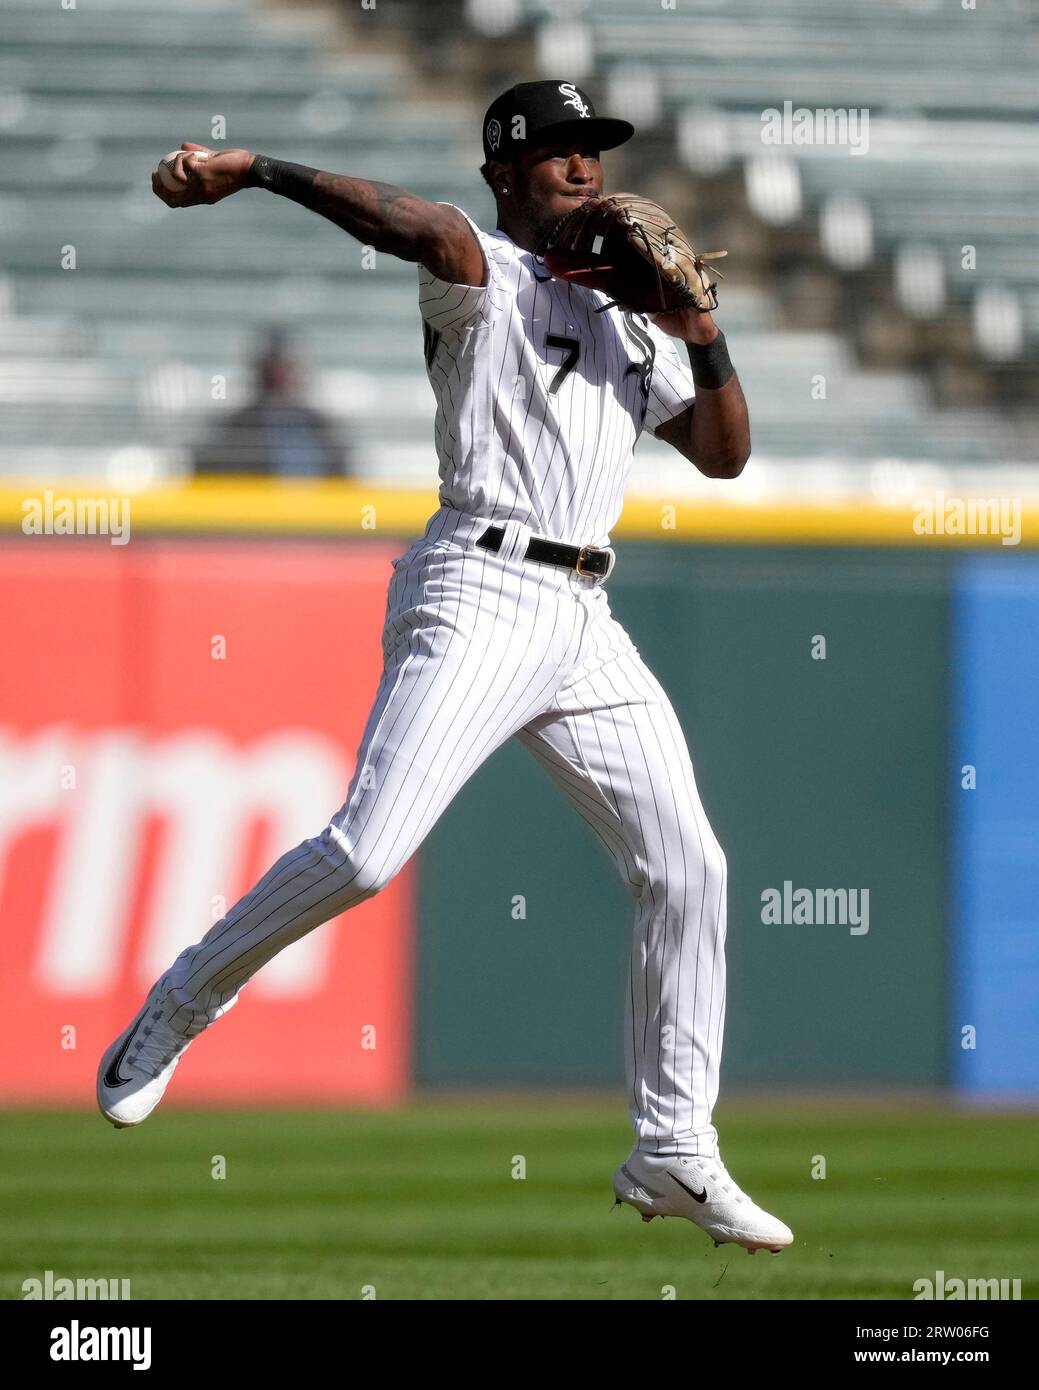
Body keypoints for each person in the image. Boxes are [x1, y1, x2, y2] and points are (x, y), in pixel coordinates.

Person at [99, 81, 793, 1255]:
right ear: (505, 173)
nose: (583, 167)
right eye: (558, 152)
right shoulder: (482, 270)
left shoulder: (632, 316)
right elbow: (407, 222)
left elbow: (724, 458)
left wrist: (700, 329)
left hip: (583, 613)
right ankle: (182, 998)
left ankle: (674, 1145)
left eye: (593, 151)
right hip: (480, 584)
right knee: (365, 853)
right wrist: (254, 169)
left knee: (690, 866)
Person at [193, 327, 352, 477]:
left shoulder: (320, 426)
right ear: (260, 372)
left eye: (287, 368)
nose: (280, 378)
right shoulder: (235, 427)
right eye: (273, 370)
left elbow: (341, 474)